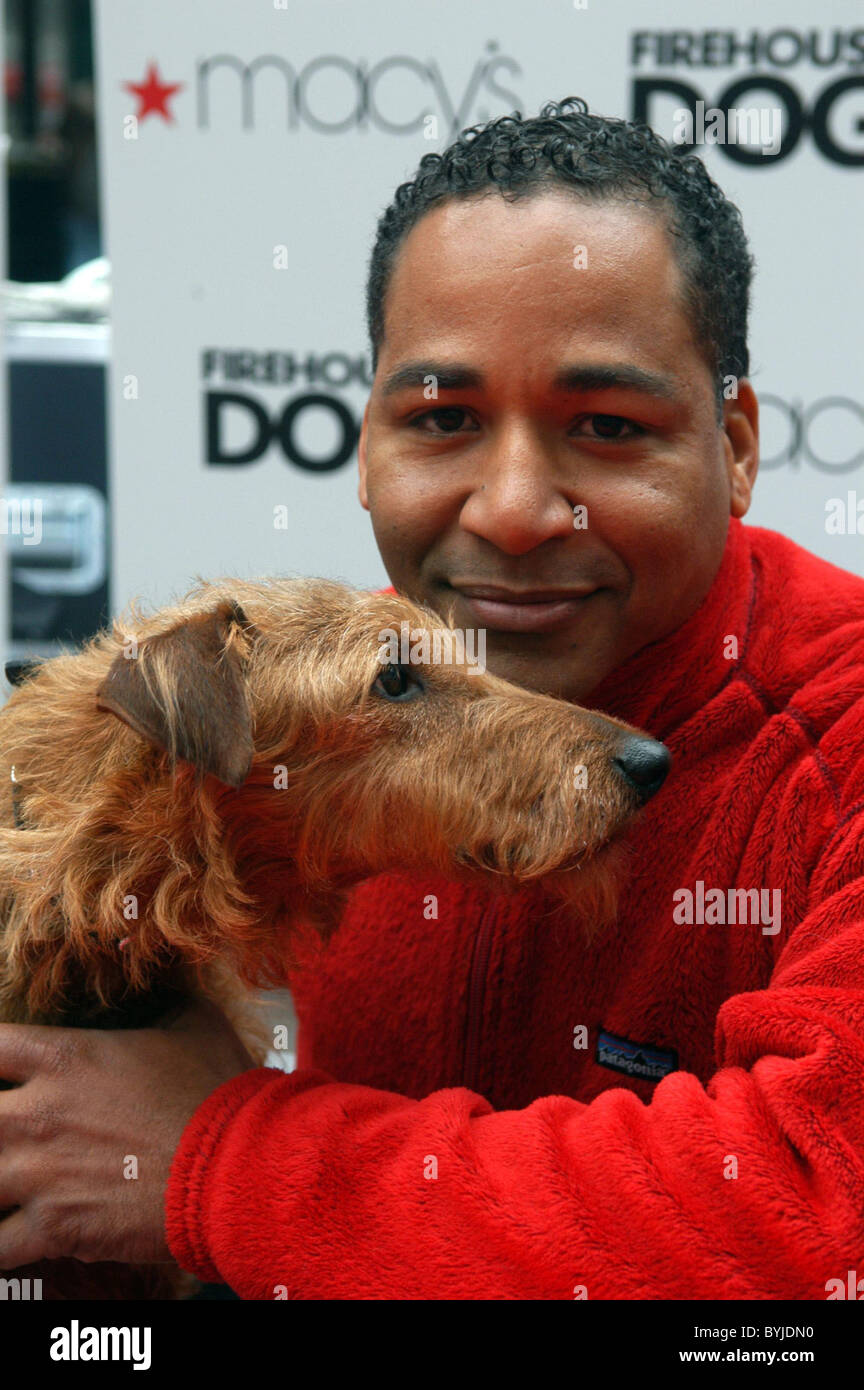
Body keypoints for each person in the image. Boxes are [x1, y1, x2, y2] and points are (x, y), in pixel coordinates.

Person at [1, 97, 863, 1301]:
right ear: (364, 447)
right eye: (443, 419)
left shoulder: (841, 734)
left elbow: (824, 1215)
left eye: (609, 426)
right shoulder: (288, 717)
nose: (514, 510)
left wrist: (224, 1161)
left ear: (737, 446)